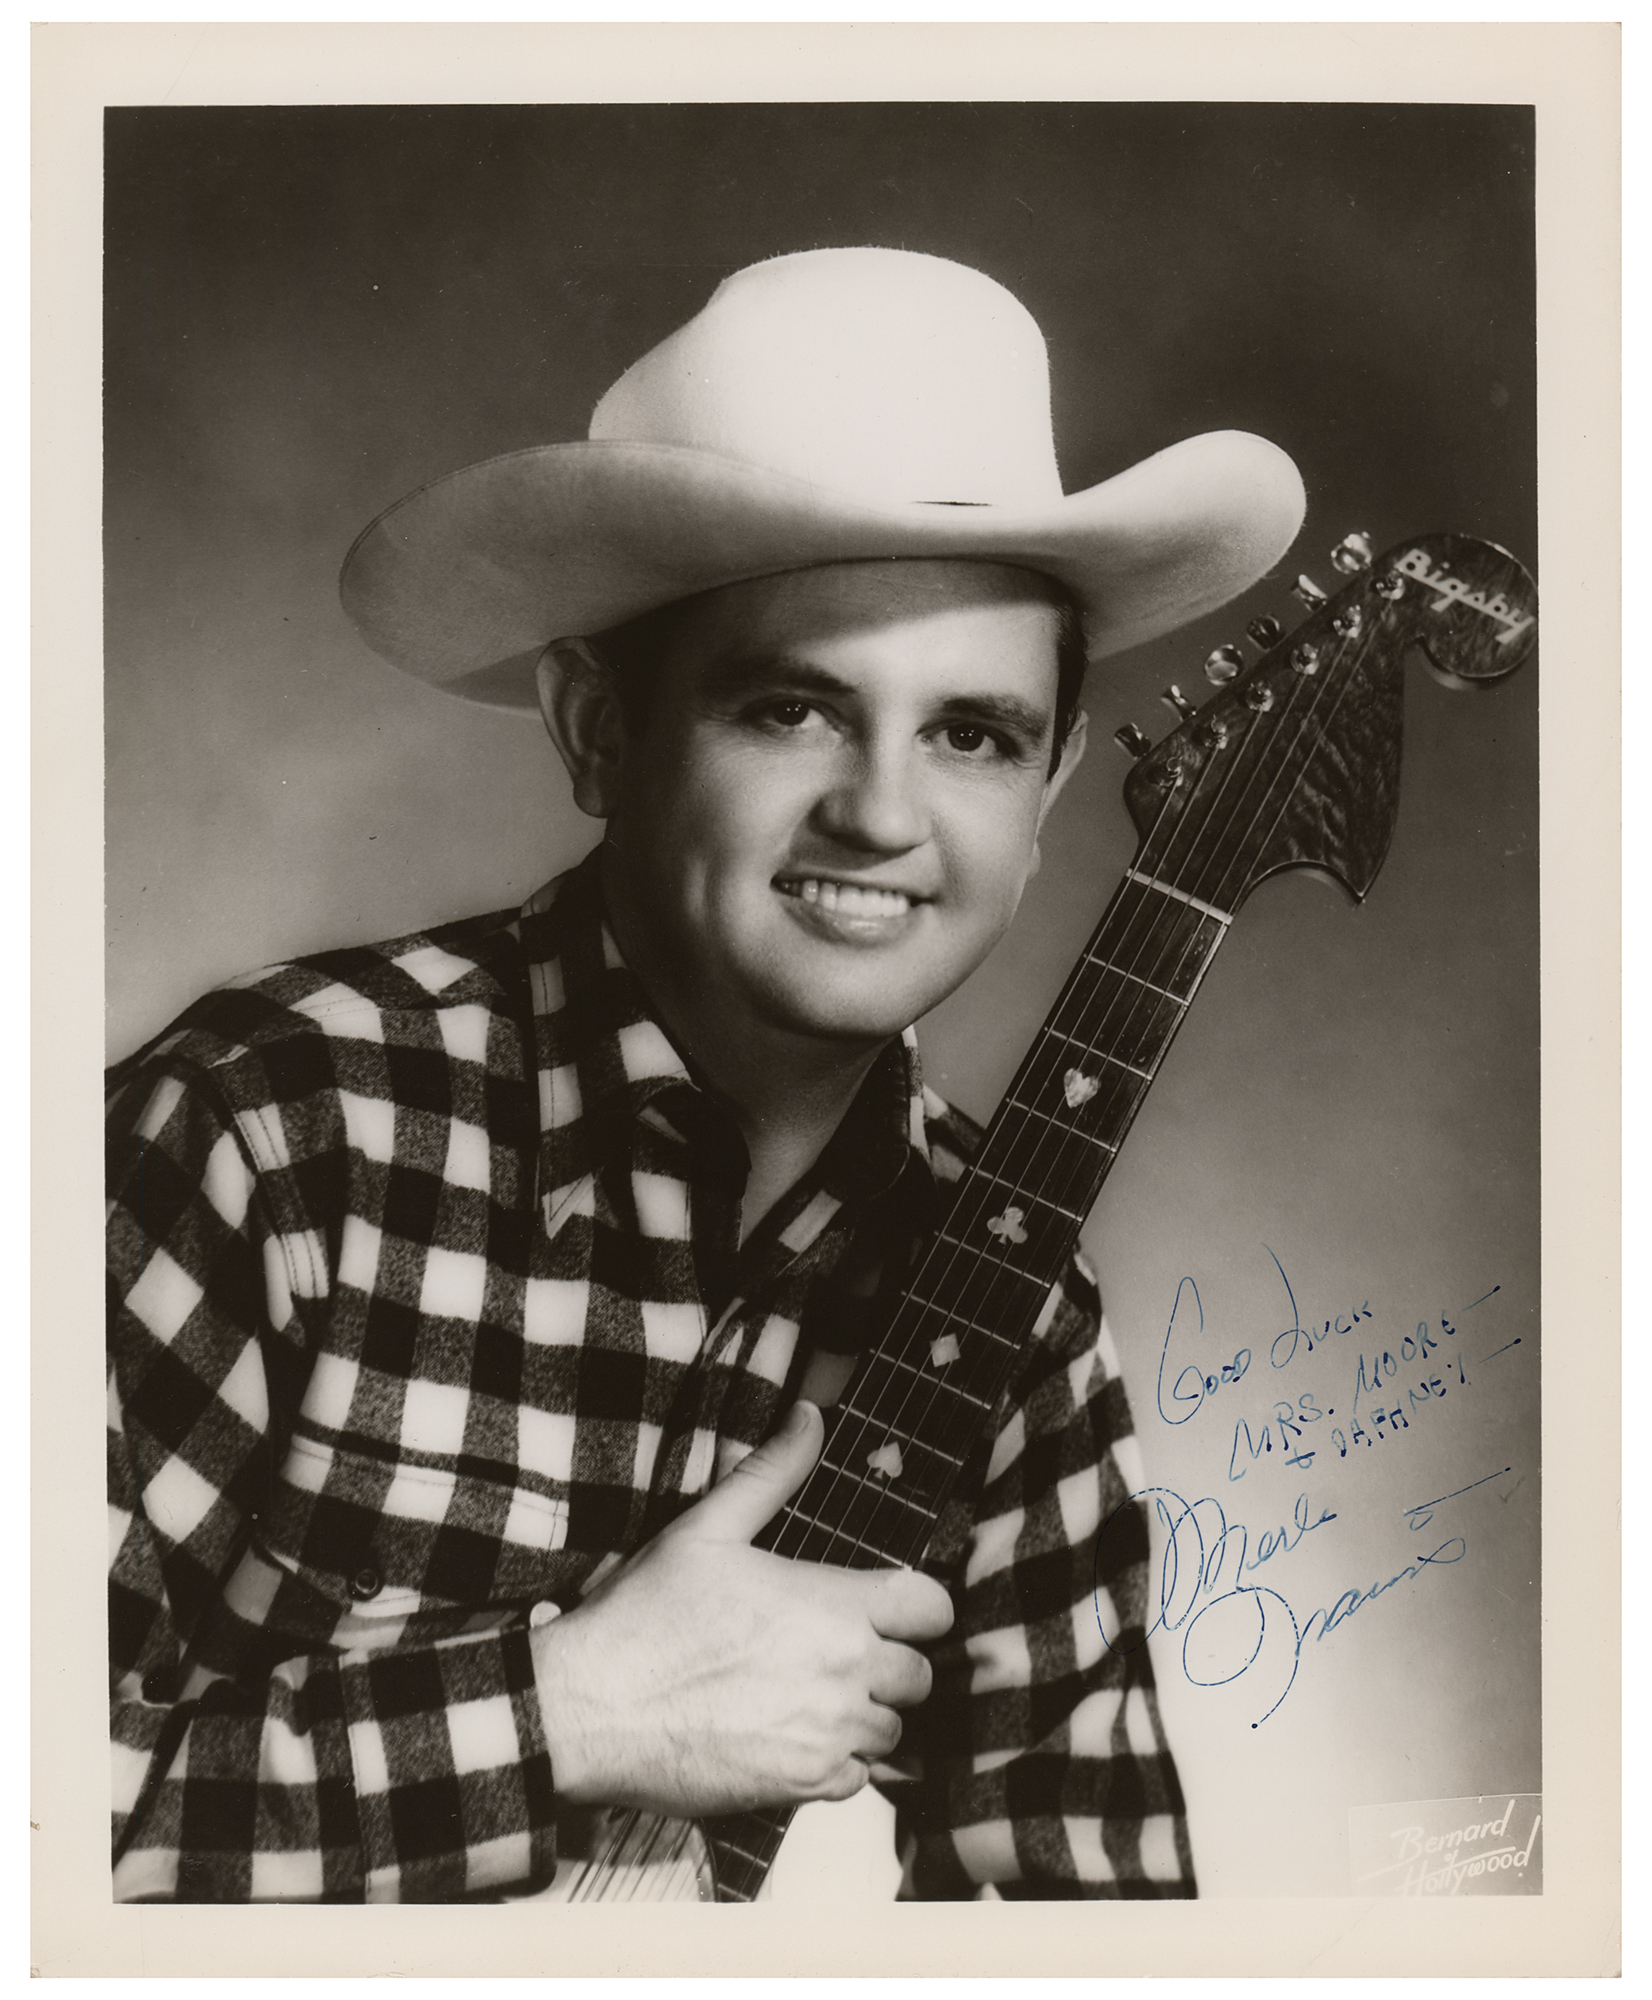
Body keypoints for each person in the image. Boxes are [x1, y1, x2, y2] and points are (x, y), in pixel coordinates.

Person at [106, 247, 1306, 1902]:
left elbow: (1081, 1911)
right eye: (792, 710)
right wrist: (568, 1714)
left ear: (1049, 792)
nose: (882, 815)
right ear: (600, 732)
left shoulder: (1010, 1307)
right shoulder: (271, 1133)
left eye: (971, 734)